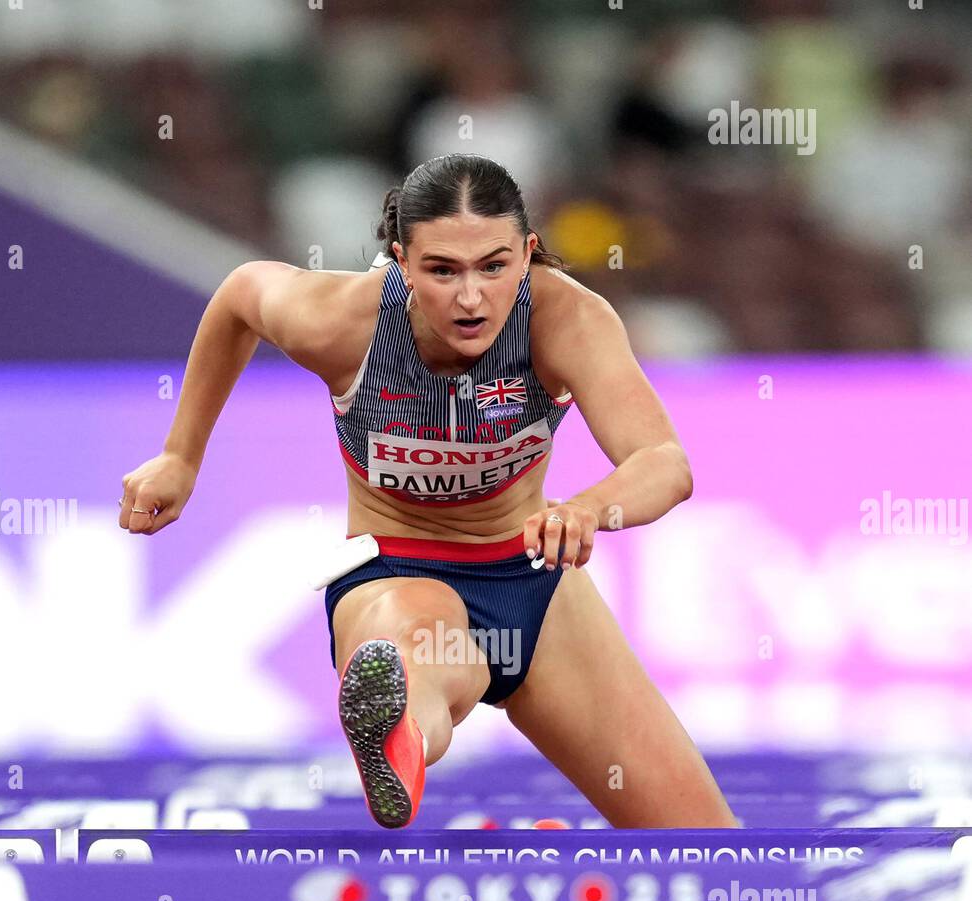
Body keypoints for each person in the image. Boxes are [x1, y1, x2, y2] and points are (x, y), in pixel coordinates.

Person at [120, 153, 737, 835]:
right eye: (443, 271)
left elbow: (664, 462)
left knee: (710, 859)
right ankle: (400, 734)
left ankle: (563, 865)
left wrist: (589, 507)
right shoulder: (342, 321)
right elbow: (241, 296)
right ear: (401, 262)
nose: (471, 298)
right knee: (419, 667)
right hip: (395, 569)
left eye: (494, 267)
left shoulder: (568, 319)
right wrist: (182, 454)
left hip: (536, 582)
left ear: (528, 253)